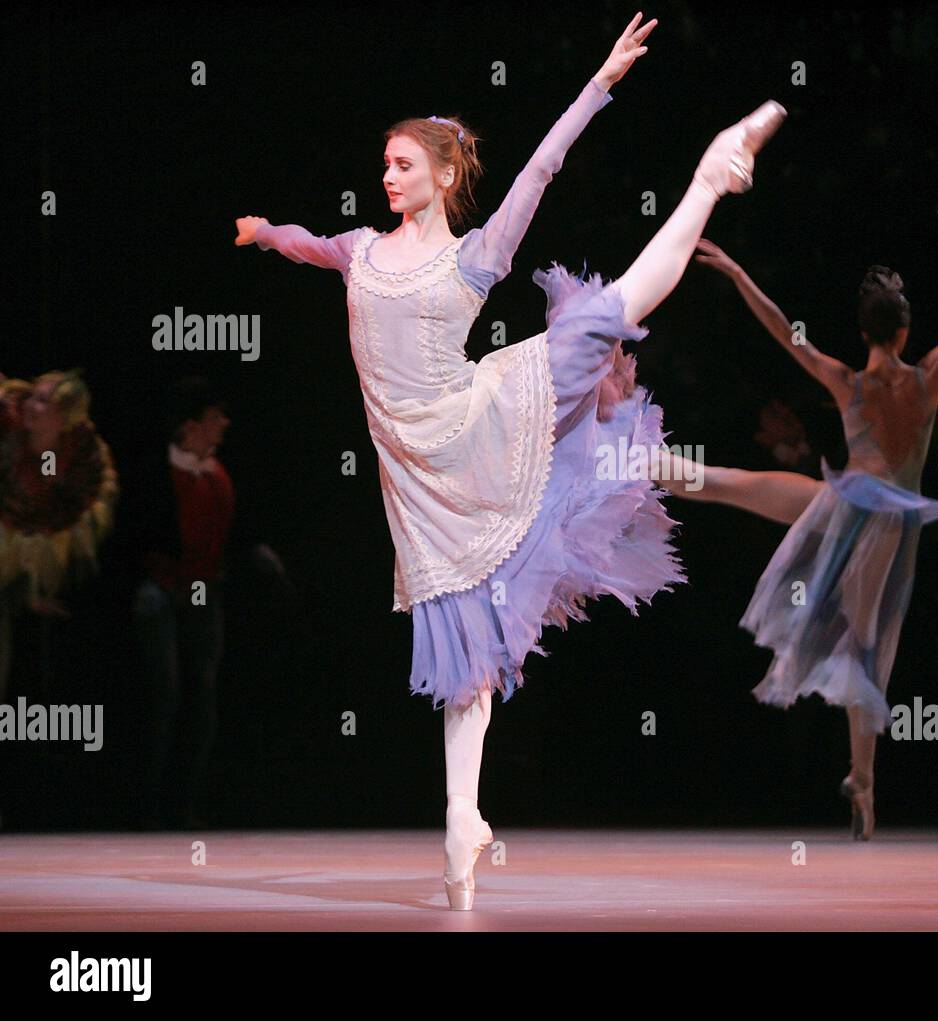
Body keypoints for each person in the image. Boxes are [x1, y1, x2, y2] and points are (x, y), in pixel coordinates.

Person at [239, 12, 787, 910]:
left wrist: (602, 81)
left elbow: (540, 167)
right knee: (469, 655)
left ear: (445, 175)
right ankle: (461, 823)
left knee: (617, 305)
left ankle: (711, 175)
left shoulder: (472, 257)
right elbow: (309, 242)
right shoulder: (361, 252)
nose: (387, 176)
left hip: (477, 423)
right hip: (423, 478)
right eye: (384, 165)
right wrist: (265, 233)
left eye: (404, 164)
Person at [656, 179, 938, 839]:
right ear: (904, 328)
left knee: (732, 484)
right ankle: (865, 782)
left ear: (864, 329)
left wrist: (737, 272)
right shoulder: (929, 377)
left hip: (842, 502)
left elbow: (782, 332)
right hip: (883, 520)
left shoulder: (845, 380)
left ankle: (629, 458)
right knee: (865, 648)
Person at [0, 370, 118, 706]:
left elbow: (52, 514)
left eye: (43, 400)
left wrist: (27, 587)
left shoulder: (80, 463)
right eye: (32, 396)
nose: (30, 405)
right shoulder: (7, 423)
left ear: (64, 416)